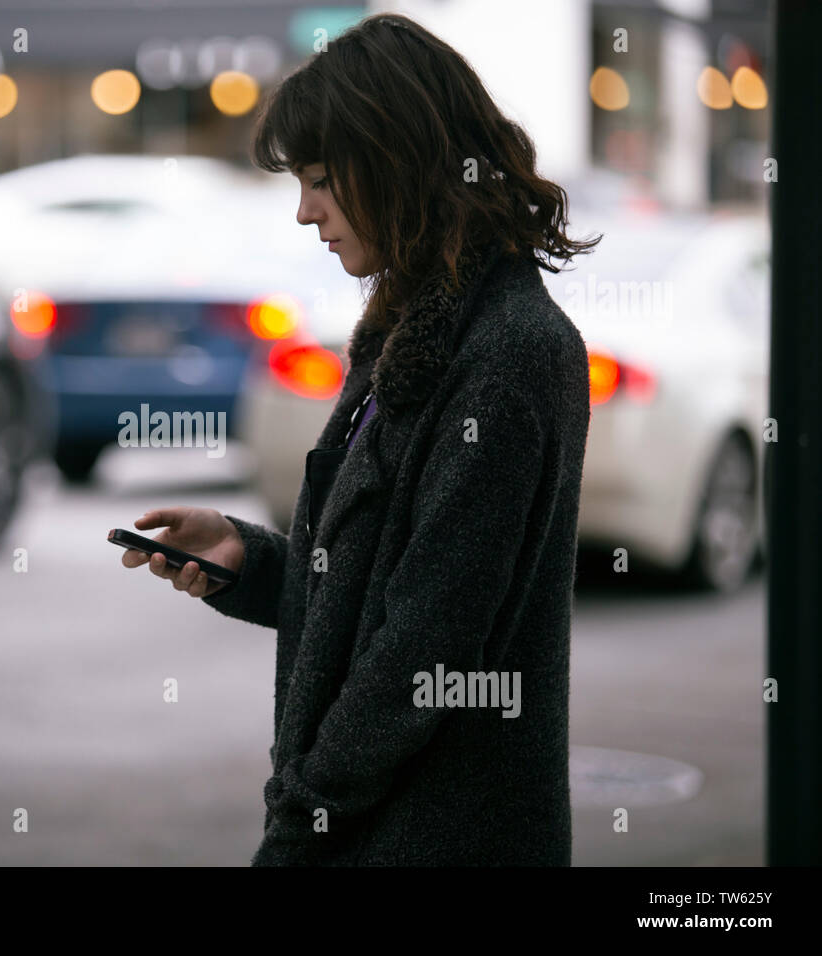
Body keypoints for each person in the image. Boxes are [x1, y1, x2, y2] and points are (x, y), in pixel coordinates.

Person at [118, 12, 600, 865]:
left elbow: (424, 648)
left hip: (440, 838)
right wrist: (249, 559)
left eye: (321, 181)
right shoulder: (414, 325)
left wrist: (302, 826)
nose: (306, 213)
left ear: (396, 163)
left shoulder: (509, 353)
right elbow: (376, 588)